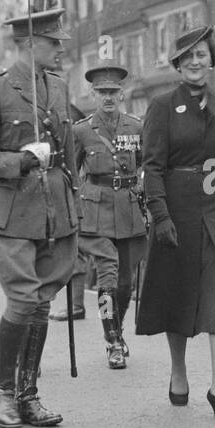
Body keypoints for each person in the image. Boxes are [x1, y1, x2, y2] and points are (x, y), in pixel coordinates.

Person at [0, 8, 77, 428]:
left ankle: (28, 395)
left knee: (43, 302)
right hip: (10, 212)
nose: (60, 48)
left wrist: (74, 209)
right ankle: (3, 393)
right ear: (29, 44)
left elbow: (67, 152)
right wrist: (22, 159)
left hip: (53, 211)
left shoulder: (59, 86)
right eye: (53, 42)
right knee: (23, 300)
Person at [136, 26, 215, 416]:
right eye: (187, 57)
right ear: (177, 65)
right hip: (177, 209)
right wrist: (160, 215)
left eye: (201, 55)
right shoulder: (163, 105)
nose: (195, 62)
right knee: (178, 294)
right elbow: (152, 167)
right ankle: (179, 372)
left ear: (211, 59)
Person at [72, 58, 147, 370]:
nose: (107, 96)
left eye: (113, 91)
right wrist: (75, 209)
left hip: (128, 209)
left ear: (122, 93)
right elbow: (72, 173)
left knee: (127, 284)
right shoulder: (81, 132)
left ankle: (119, 329)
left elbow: (145, 164)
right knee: (109, 274)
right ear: (92, 94)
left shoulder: (137, 127)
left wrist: (144, 190)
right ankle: (112, 340)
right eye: (101, 91)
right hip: (98, 210)